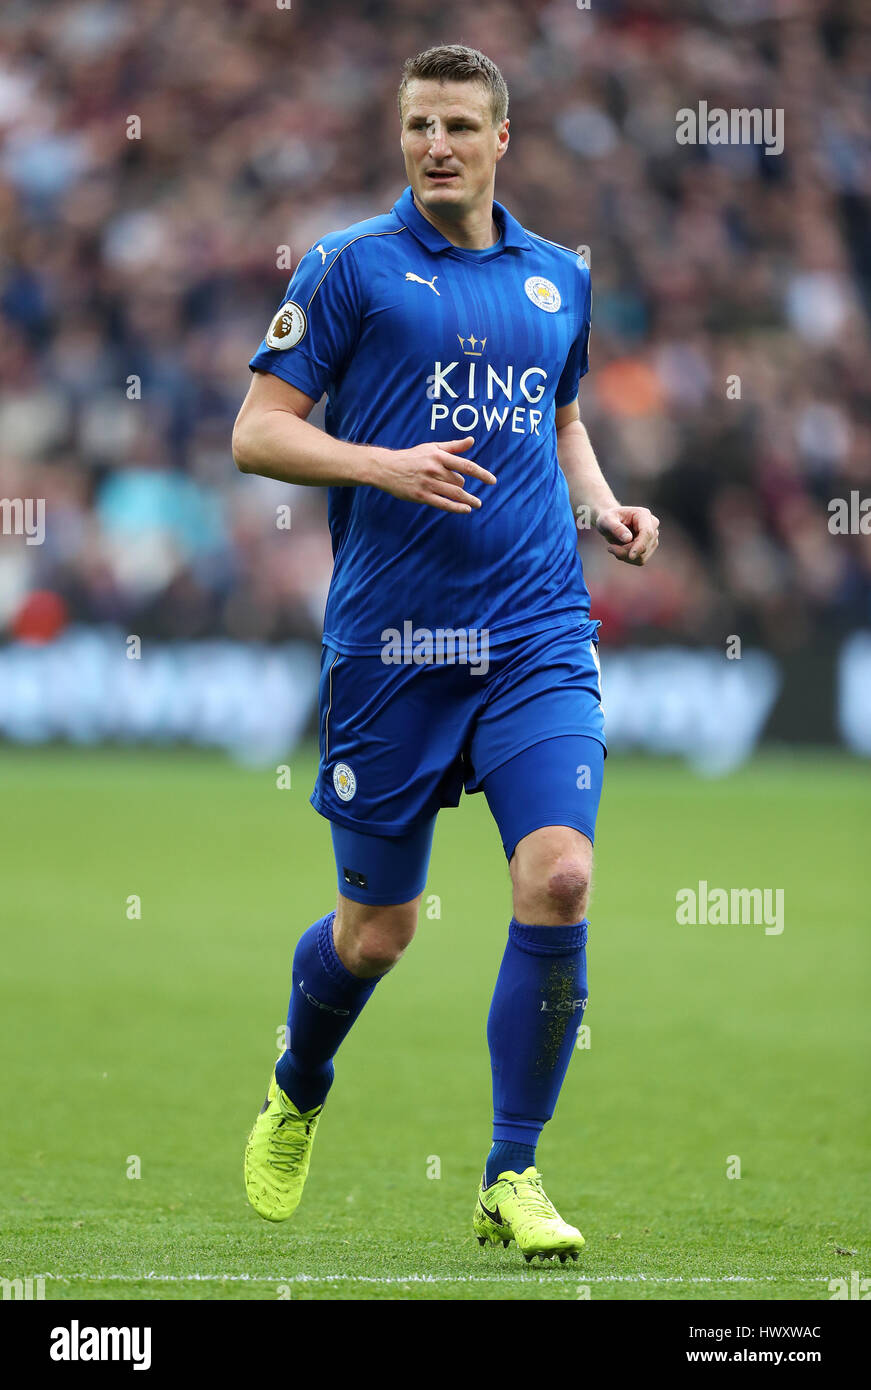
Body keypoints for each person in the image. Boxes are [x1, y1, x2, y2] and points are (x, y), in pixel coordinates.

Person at [232, 43, 659, 1263]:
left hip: (534, 629)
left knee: (561, 876)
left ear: (501, 139)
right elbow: (255, 434)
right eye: (418, 124)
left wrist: (604, 507)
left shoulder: (552, 278)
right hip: (392, 646)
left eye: (460, 127)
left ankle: (509, 1172)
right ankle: (298, 1084)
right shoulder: (349, 268)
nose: (435, 146)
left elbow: (562, 416)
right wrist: (385, 465)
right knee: (379, 933)